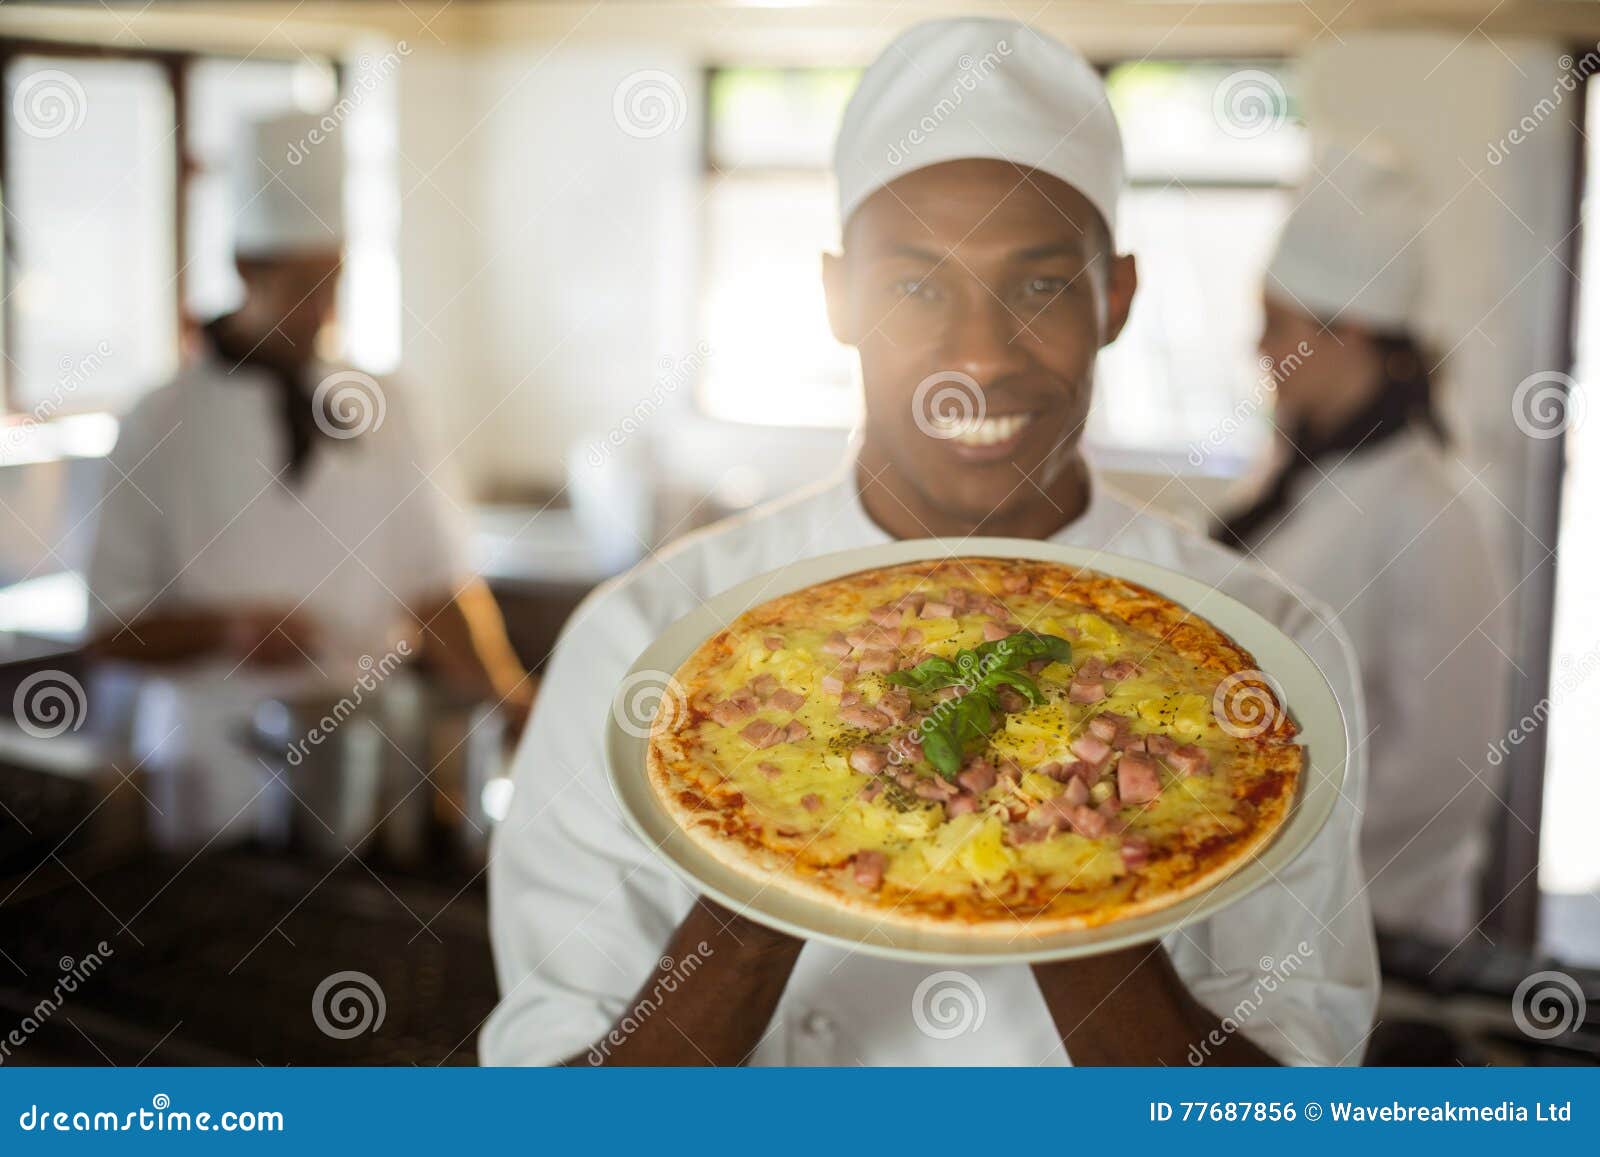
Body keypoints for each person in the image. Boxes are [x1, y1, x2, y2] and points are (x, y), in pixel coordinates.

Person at [483, 18, 1377, 1066]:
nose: (978, 355)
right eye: (915, 285)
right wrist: (785, 822)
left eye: (1040, 284)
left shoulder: (1264, 655)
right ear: (836, 299)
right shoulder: (644, 646)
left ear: (1117, 298)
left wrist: (1063, 843)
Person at [86, 112, 532, 848]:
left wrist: (511, 695)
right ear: (244, 268)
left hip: (370, 766)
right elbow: (110, 631)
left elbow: (438, 583)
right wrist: (229, 630)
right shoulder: (158, 421)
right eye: (302, 283)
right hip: (212, 779)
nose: (323, 309)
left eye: (334, 280)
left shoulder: (389, 404)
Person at [1214, 145, 1510, 944]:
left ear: (1342, 331)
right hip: (1251, 900)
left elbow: (1440, 776)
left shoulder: (1431, 513)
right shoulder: (1302, 474)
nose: (1260, 350)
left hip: (1359, 923)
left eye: (1276, 325)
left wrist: (1261, 856)